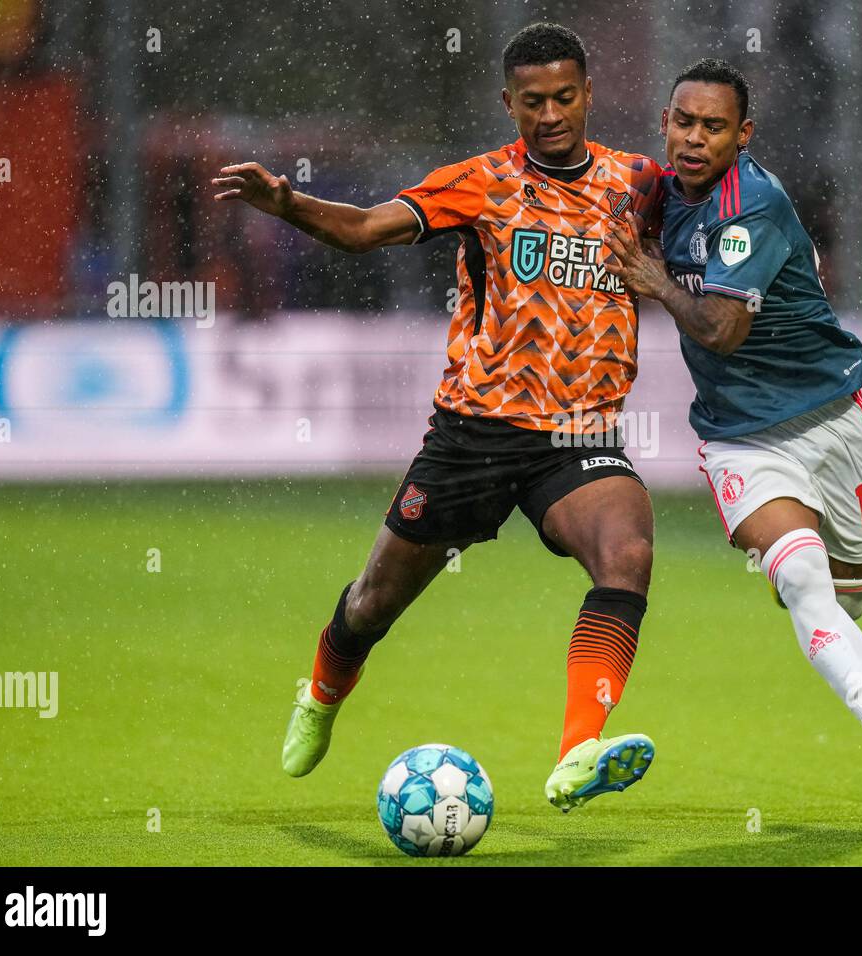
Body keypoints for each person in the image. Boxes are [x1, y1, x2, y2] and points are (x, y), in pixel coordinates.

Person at [211, 22, 663, 812]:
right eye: (532, 101)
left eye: (564, 97)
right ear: (508, 103)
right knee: (372, 603)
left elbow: (713, 224)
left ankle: (577, 751)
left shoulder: (640, 184)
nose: (550, 115)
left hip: (578, 435)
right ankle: (321, 694)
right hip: (473, 434)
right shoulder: (479, 183)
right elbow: (362, 229)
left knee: (627, 552)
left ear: (589, 94)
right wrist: (287, 204)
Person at [604, 59, 862, 798]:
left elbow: (722, 329)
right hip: (739, 436)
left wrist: (657, 282)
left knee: (850, 597)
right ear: (664, 122)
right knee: (801, 580)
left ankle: (805, 573)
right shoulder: (656, 195)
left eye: (714, 126)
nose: (694, 138)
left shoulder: (752, 204)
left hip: (830, 419)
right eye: (683, 122)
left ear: (744, 135)